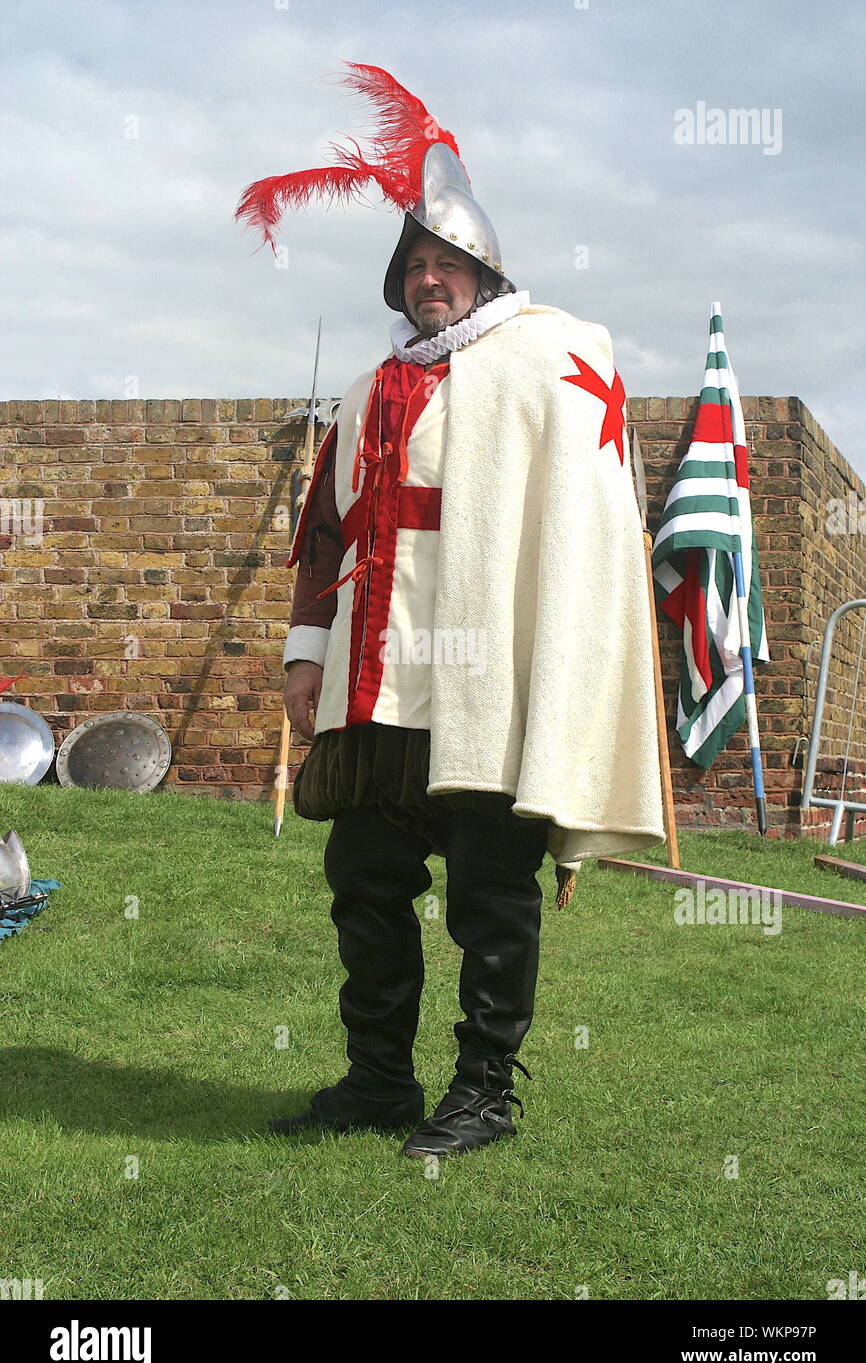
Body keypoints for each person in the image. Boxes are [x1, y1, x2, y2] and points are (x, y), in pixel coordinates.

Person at [235, 63, 664, 1160]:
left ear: (480, 274)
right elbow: (323, 539)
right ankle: (378, 1079)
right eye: (414, 267)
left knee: (486, 891)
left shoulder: (542, 363)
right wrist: (301, 656)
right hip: (374, 687)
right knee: (364, 887)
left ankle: (483, 1092)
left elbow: (579, 523)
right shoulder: (363, 393)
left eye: (446, 264)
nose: (429, 280)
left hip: (485, 687)